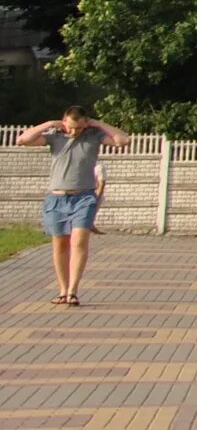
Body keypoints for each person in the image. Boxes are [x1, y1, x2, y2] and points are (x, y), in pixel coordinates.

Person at [17, 106, 124, 306]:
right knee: (60, 245)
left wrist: (98, 124)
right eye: (71, 127)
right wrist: (49, 124)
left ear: (86, 124)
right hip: (56, 199)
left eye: (79, 127)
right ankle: (63, 290)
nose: (74, 132)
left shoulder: (93, 136)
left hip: (84, 197)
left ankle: (73, 291)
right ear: (64, 122)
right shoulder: (55, 137)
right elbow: (23, 139)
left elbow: (123, 140)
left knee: (79, 242)